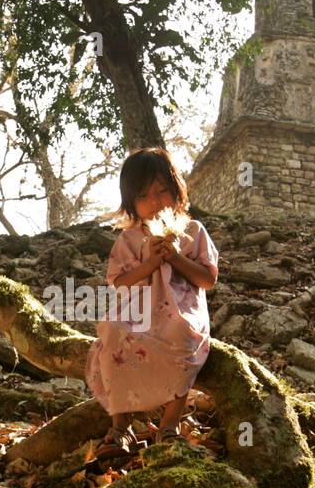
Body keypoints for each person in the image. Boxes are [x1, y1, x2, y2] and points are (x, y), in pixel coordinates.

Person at [85, 147, 219, 447]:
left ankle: (169, 425)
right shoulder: (129, 239)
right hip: (139, 309)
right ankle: (121, 425)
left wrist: (175, 258)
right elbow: (118, 281)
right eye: (143, 196)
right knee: (114, 335)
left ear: (177, 192)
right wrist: (149, 265)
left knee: (182, 335)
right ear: (132, 203)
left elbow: (208, 279)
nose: (155, 202)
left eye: (162, 192)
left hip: (181, 309)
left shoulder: (193, 231)